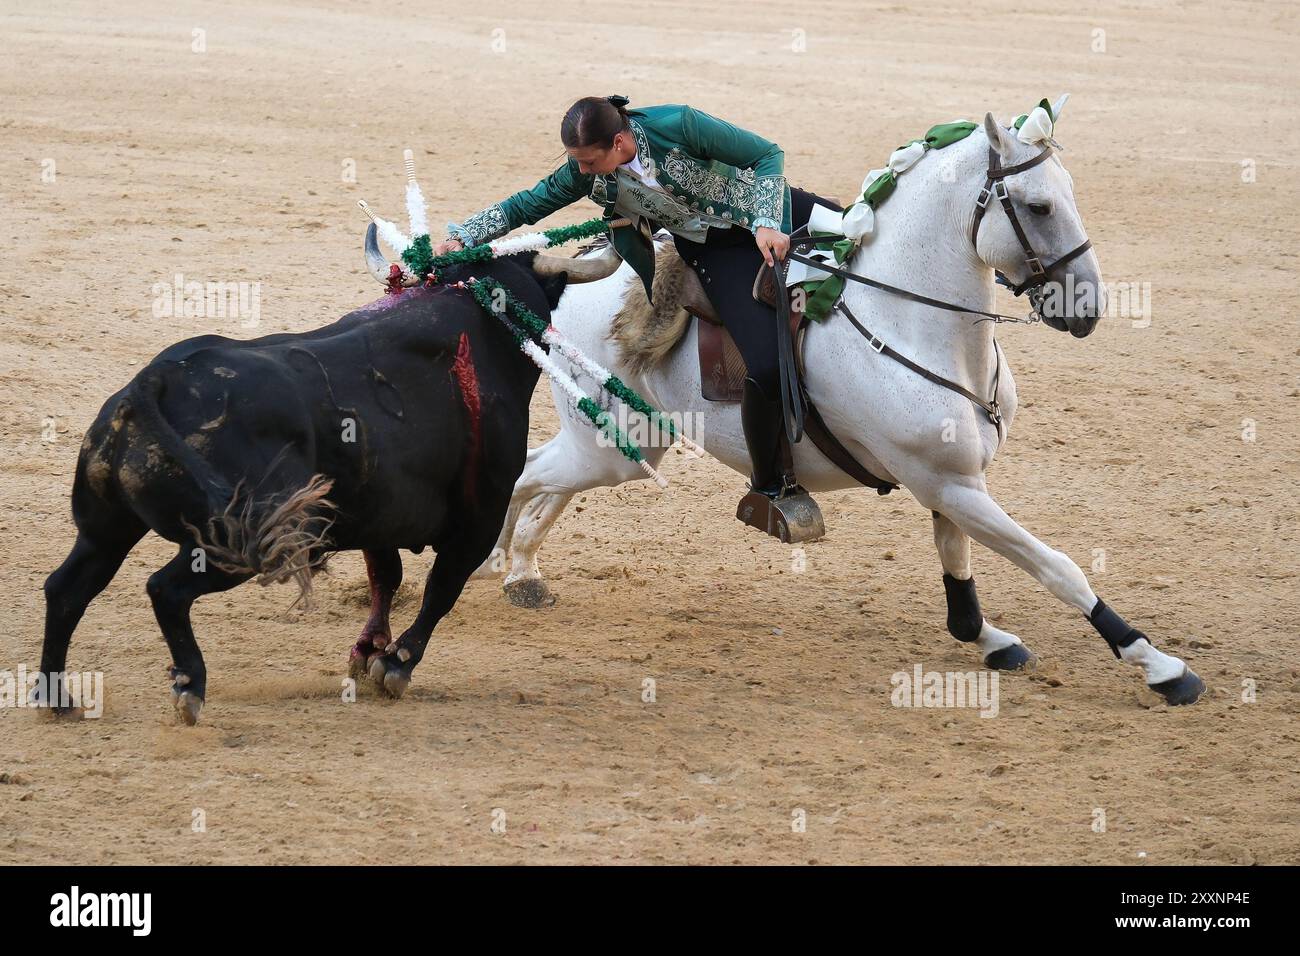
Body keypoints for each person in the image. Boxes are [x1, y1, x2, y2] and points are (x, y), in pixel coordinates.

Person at [435, 95, 841, 541]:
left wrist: (767, 220)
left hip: (780, 213)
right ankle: (769, 486)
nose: (584, 173)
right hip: (716, 252)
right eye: (579, 164)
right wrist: (466, 235)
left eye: (590, 162)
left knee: (874, 242)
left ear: (620, 141)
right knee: (764, 363)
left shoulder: (679, 124)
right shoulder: (587, 171)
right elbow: (526, 205)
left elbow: (766, 153)